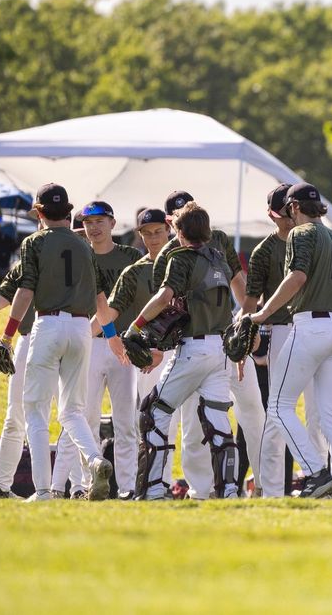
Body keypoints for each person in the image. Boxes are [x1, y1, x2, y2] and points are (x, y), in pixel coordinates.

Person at [152, 190, 267, 501]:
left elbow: (238, 281)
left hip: (225, 336)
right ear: (171, 222)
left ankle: (265, 484)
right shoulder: (169, 255)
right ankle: (203, 489)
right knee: (194, 422)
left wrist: (247, 323)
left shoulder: (218, 240)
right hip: (193, 341)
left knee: (252, 410)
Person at [0, 183, 111, 502]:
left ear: (40, 213)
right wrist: (114, 337)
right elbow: (101, 299)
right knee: (73, 412)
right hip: (81, 328)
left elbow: (25, 291)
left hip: (48, 324)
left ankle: (45, 491)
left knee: (35, 410)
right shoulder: (86, 246)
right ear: (68, 212)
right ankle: (94, 459)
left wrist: (7, 336)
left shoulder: (34, 241)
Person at [250, 183, 332, 498]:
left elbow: (297, 278)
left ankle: (316, 472)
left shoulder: (302, 233)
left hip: (311, 325)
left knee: (279, 405)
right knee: (331, 414)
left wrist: (263, 313)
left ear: (294, 208)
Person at [129, 202, 245, 500]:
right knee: (218, 421)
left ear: (179, 232)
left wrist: (136, 325)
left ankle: (154, 489)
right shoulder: (220, 258)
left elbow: (164, 296)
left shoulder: (181, 258)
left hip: (193, 348)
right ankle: (229, 491)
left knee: (154, 413)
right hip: (220, 351)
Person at [47, 201, 142, 498]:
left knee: (126, 422)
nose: (94, 227)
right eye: (88, 222)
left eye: (100, 221)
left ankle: (127, 489)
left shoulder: (130, 257)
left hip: (123, 346)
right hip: (88, 345)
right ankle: (74, 486)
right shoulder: (78, 255)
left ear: (113, 223)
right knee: (79, 419)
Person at [92, 208, 172, 499]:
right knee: (151, 421)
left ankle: (187, 485)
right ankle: (154, 485)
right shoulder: (134, 270)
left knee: (186, 426)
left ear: (169, 229)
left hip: (184, 349)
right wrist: (84, 337)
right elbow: (108, 312)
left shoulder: (185, 261)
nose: (153, 238)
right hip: (145, 354)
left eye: (158, 231)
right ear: (140, 235)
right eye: (147, 233)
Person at [242, 185, 298, 498]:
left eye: (292, 213)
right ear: (272, 216)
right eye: (283, 215)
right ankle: (272, 489)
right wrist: (246, 331)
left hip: (313, 327)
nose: (289, 220)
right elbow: (251, 299)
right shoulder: (264, 251)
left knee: (319, 413)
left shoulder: (316, 240)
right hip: (279, 329)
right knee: (277, 409)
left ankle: (325, 483)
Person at [0, 264, 39, 498]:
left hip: (75, 337)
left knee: (73, 416)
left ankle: (76, 486)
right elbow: (1, 298)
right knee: (15, 416)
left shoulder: (84, 255)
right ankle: (1, 486)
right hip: (29, 338)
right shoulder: (28, 258)